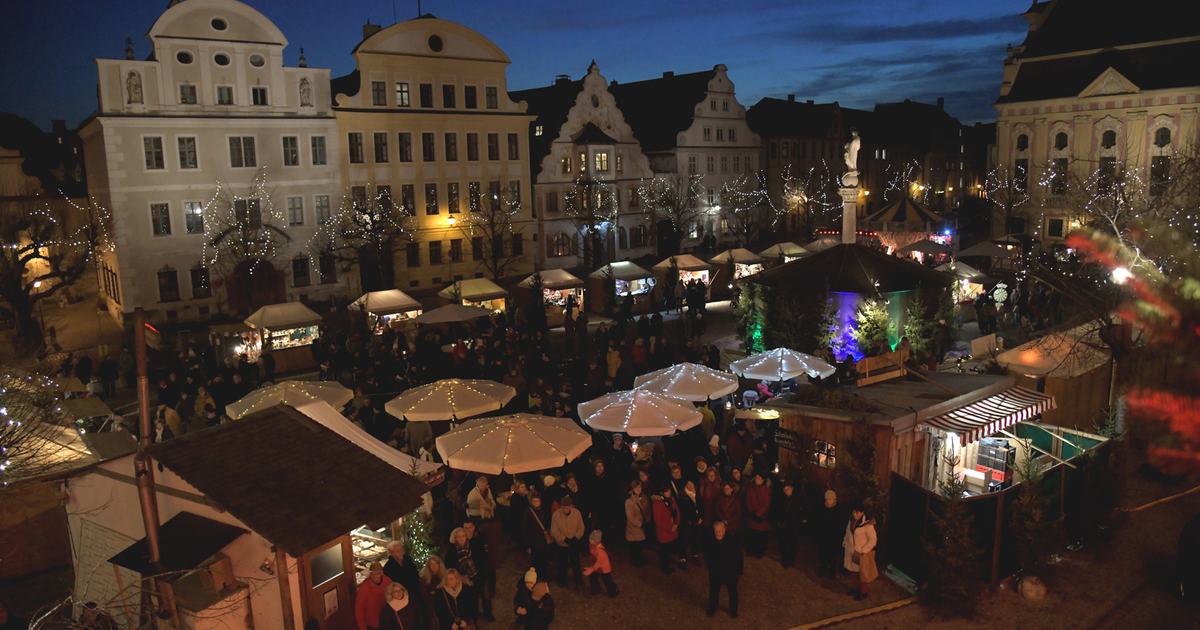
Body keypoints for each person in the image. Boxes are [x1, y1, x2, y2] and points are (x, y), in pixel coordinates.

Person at [445, 524, 494, 622]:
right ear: (455, 538)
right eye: (459, 537)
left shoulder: (473, 545)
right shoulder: (452, 552)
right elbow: (450, 568)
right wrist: (463, 578)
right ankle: (474, 618)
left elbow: (482, 559)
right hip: (466, 581)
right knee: (473, 600)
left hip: (479, 576)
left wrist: (483, 572)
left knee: (486, 596)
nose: (462, 538)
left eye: (463, 536)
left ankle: (487, 613)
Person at [704, 522, 743, 619]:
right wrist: (711, 567)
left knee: (733, 592)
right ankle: (712, 608)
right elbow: (707, 555)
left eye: (720, 531)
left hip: (730, 572)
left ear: (724, 530)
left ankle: (733, 611)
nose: (718, 533)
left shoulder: (732, 541)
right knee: (714, 591)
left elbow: (739, 557)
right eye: (716, 531)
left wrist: (738, 572)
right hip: (716, 572)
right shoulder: (710, 540)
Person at [843, 504, 878, 601]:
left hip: (861, 553)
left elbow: (873, 540)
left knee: (862, 574)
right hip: (851, 551)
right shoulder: (851, 521)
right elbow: (848, 533)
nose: (855, 514)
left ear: (862, 512)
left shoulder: (867, 525)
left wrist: (863, 551)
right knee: (853, 572)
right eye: (854, 512)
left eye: (857, 512)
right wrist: (845, 542)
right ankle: (855, 588)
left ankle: (863, 592)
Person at [550, 495, 585, 587]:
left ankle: (577, 579)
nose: (566, 509)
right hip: (562, 545)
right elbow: (553, 531)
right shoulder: (556, 515)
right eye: (564, 507)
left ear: (571, 506)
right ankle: (562, 580)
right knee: (561, 563)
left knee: (575, 562)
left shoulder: (577, 513)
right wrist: (564, 538)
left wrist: (575, 538)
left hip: (574, 543)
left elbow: (581, 528)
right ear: (561, 506)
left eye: (568, 507)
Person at [652, 483, 686, 574]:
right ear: (662, 493)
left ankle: (667, 565)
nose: (668, 493)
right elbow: (658, 520)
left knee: (669, 549)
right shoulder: (658, 503)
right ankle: (664, 567)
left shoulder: (671, 499)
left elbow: (677, 511)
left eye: (669, 491)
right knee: (664, 551)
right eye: (666, 492)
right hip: (664, 532)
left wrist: (677, 523)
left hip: (672, 530)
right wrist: (669, 528)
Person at [814, 490, 844, 579]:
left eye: (830, 499)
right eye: (827, 499)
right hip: (823, 536)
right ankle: (823, 569)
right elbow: (818, 522)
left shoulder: (838, 510)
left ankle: (832, 571)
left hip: (834, 537)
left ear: (834, 500)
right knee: (823, 554)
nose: (828, 501)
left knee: (833, 556)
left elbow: (841, 524)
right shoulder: (822, 509)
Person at [773, 479, 803, 568]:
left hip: (793, 525)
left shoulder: (797, 499)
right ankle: (785, 559)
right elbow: (777, 511)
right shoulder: (780, 499)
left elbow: (800, 512)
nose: (787, 491)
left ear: (792, 488)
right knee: (783, 543)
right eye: (785, 489)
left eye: (788, 489)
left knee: (793, 543)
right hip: (783, 525)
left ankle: (791, 558)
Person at [382, 541, 422, 606]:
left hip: (415, 594)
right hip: (401, 597)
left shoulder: (407, 559)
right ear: (391, 553)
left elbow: (415, 574)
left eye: (401, 550)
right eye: (397, 551)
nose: (401, 553)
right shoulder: (388, 568)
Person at [522, 493, 553, 578]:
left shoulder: (544, 510)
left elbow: (548, 522)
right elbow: (525, 529)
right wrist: (527, 544)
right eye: (534, 501)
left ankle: (543, 574)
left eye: (537, 501)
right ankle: (534, 576)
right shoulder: (528, 512)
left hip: (543, 539)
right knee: (535, 560)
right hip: (534, 541)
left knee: (544, 559)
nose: (535, 503)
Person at [356, 562, 393, 630]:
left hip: (387, 622)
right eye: (372, 574)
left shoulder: (388, 581)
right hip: (373, 625)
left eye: (377, 574)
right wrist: (362, 626)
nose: (374, 576)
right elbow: (359, 608)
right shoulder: (364, 587)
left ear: (381, 573)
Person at [582, 529, 619, 597]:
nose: (589, 540)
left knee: (607, 580)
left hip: (603, 568)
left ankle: (614, 592)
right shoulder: (593, 546)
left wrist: (591, 569)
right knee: (593, 577)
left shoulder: (600, 551)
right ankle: (597, 591)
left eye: (591, 539)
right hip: (598, 567)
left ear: (596, 541)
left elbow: (599, 562)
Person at [743, 471, 772, 558]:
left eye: (759, 478)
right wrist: (753, 513)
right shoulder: (750, 488)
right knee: (752, 535)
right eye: (756, 477)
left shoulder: (767, 490)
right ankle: (751, 550)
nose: (757, 479)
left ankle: (760, 552)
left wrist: (758, 514)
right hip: (753, 515)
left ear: (763, 480)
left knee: (761, 537)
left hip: (762, 517)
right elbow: (748, 500)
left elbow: (766, 504)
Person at [624, 480, 651, 567]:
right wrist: (640, 524)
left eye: (640, 487)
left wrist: (647, 520)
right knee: (634, 546)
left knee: (640, 544)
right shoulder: (629, 501)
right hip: (634, 527)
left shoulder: (644, 497)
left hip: (642, 525)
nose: (639, 489)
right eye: (636, 487)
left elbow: (648, 510)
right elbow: (630, 516)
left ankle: (640, 559)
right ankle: (636, 560)